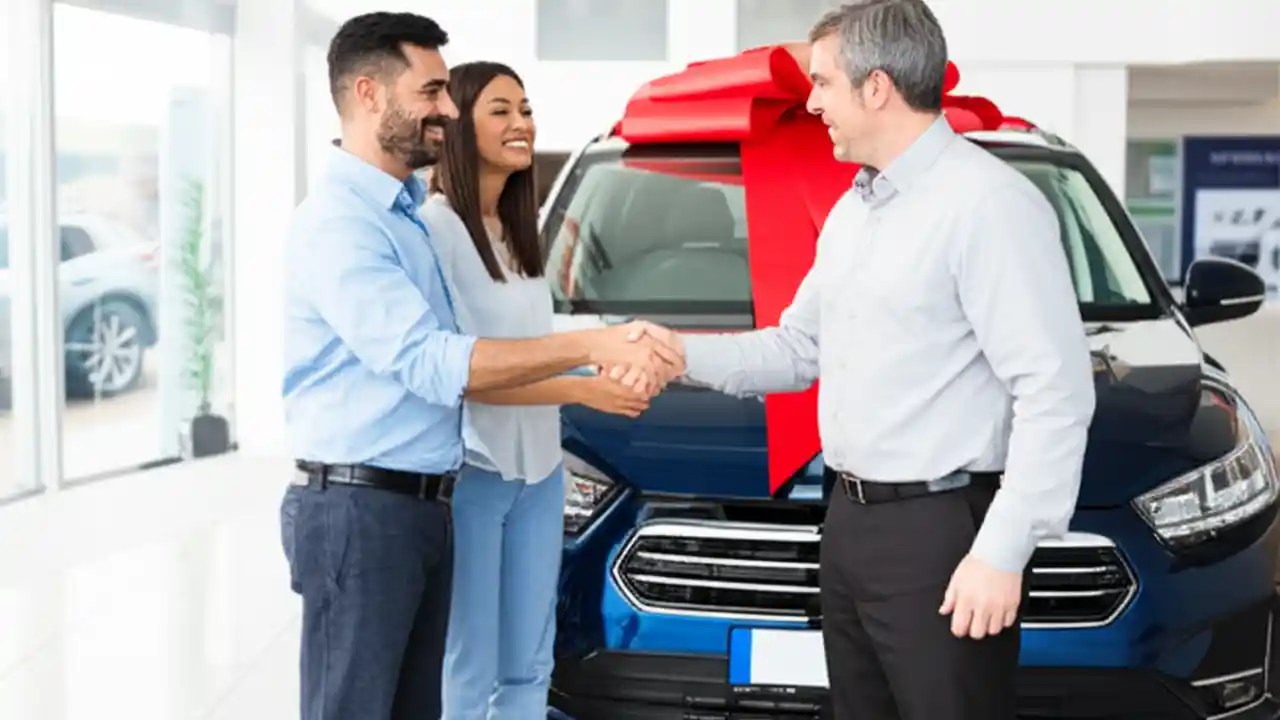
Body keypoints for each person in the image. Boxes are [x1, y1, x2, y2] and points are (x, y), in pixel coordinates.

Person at [622, 1, 1097, 718]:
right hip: (848, 521)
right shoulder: (856, 211)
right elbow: (799, 348)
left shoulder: (988, 204)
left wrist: (1003, 551)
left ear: (877, 87)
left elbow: (1056, 392)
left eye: (823, 83)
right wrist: (677, 352)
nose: (812, 104)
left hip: (940, 532)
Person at [278, 13, 679, 720]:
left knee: (436, 696)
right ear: (369, 93)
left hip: (421, 499)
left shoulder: (401, 216)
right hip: (364, 507)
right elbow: (435, 362)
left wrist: (590, 375)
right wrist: (592, 355)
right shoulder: (347, 221)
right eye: (433, 92)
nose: (446, 109)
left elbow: (472, 359)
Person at [418, 60, 649, 718]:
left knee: (529, 668)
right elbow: (466, 375)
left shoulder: (519, 237)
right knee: (469, 670)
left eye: (525, 108)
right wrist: (581, 389)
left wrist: (598, 374)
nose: (522, 122)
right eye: (501, 110)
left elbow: (527, 356)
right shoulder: (438, 230)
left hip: (540, 475)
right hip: (476, 475)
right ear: (457, 124)